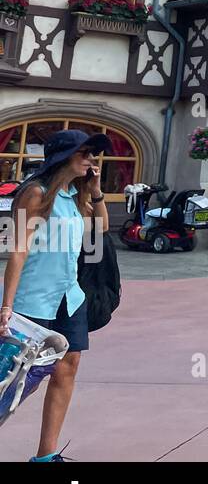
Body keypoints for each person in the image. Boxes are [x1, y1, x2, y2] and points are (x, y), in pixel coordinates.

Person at [0, 129, 111, 462]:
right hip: (34, 298)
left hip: (69, 297)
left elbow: (101, 228)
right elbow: (17, 250)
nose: (92, 161)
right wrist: (7, 305)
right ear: (64, 157)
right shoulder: (36, 193)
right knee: (16, 377)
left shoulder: (75, 196)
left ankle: (46, 456)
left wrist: (96, 191)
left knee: (67, 367)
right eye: (86, 154)